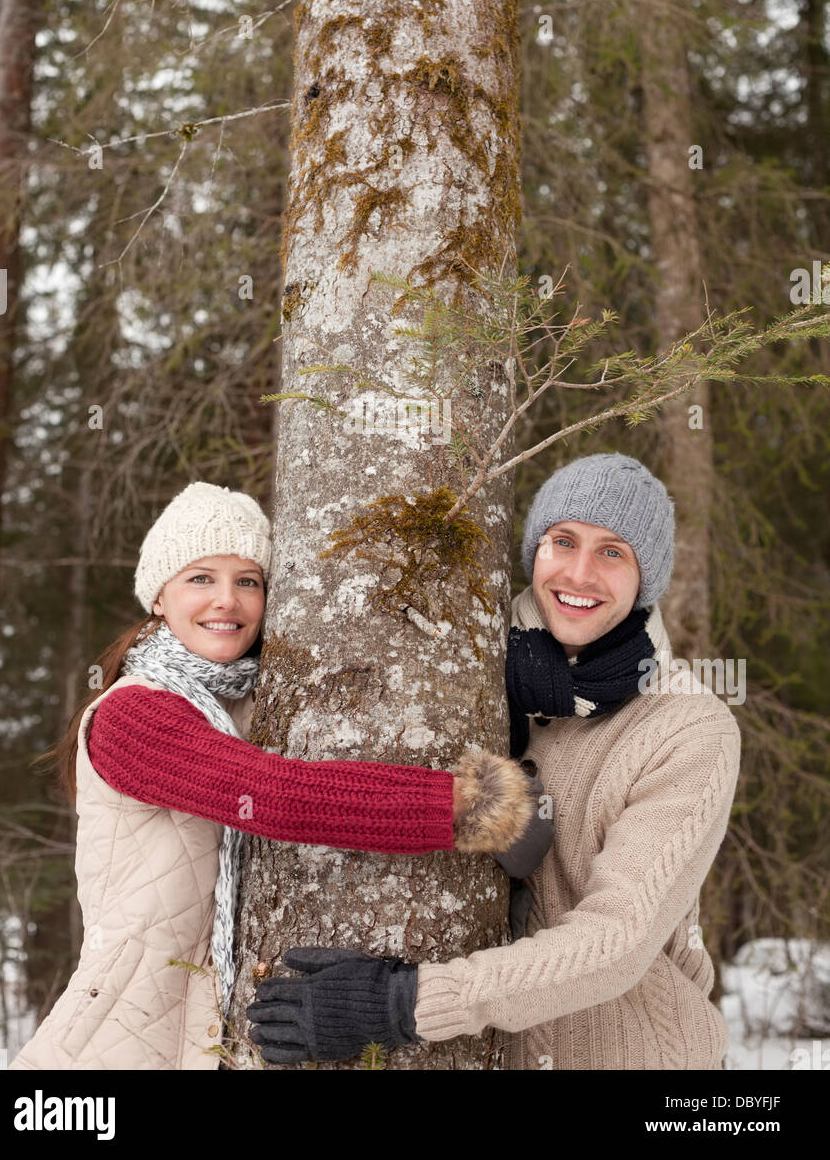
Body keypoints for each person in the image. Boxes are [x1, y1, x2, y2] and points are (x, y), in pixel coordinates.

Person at [8, 482, 551, 1071]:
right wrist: (470, 804)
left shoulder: (246, 698)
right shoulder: (133, 714)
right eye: (200, 578)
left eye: (248, 581)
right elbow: (272, 794)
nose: (227, 602)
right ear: (158, 597)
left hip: (206, 1028)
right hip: (123, 1031)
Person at [248, 452, 742, 1070]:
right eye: (563, 542)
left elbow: (617, 941)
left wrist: (404, 1003)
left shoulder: (686, 726)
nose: (581, 573)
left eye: (613, 552)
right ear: (536, 549)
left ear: (648, 577)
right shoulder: (474, 666)